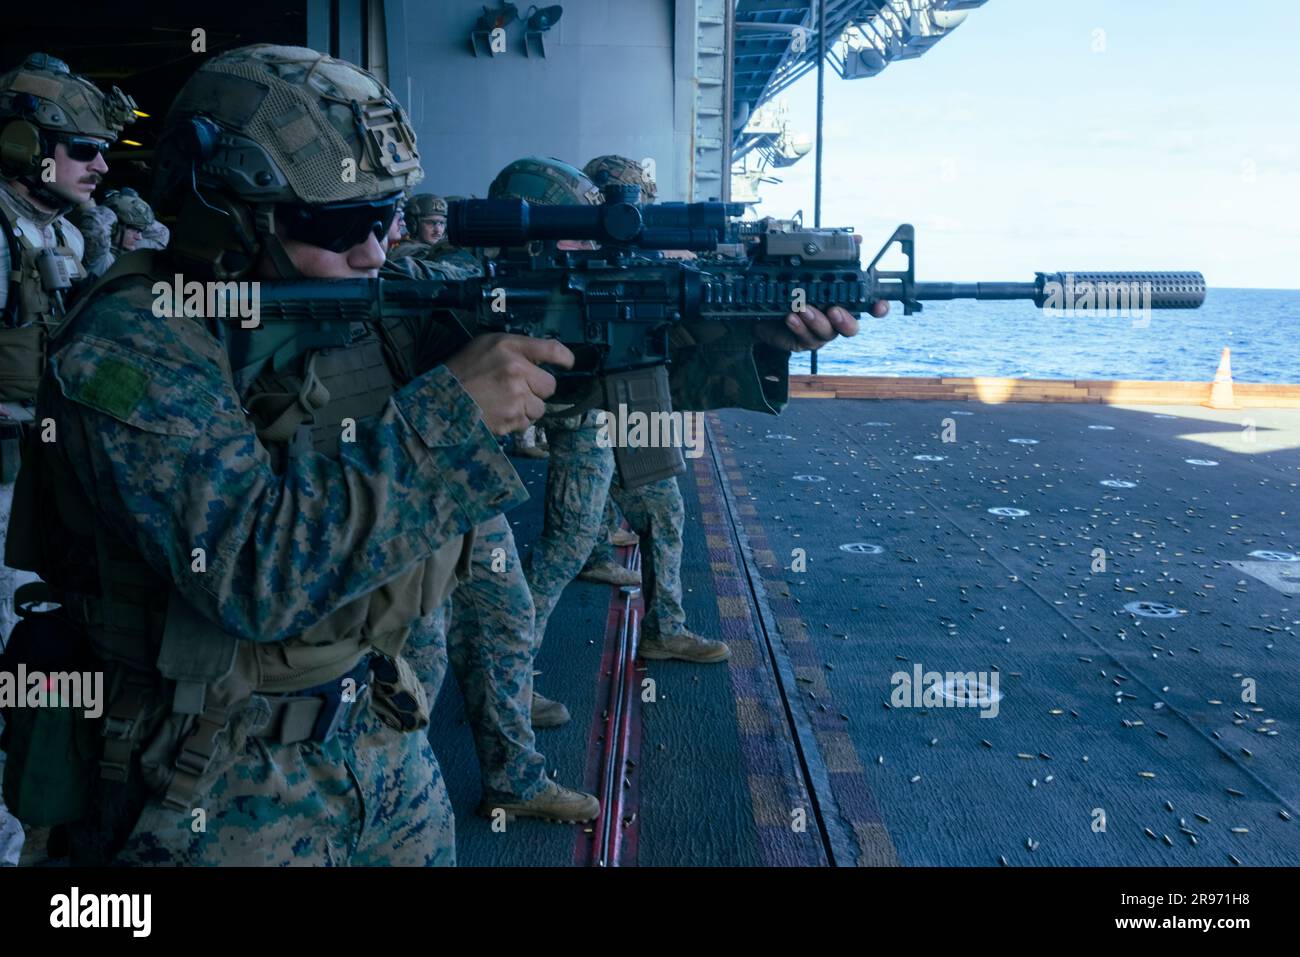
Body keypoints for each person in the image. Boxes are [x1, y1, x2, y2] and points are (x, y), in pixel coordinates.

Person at [3, 44, 569, 866]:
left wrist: (735, 331)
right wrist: (451, 414)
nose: (374, 251)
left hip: (378, 745)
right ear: (226, 216)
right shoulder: (130, 346)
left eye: (386, 219)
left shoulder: (344, 302)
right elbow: (254, 572)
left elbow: (560, 355)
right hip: (210, 778)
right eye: (339, 225)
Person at [494, 156, 882, 719]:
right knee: (564, 547)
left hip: (620, 403)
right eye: (576, 231)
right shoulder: (498, 288)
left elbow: (670, 350)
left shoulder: (607, 269)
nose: (589, 242)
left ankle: (664, 627)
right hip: (584, 417)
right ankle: (509, 683)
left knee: (665, 509)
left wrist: (754, 327)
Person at [0, 52, 136, 862]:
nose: (101, 164)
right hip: (5, 480)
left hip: (44, 482)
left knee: (45, 664)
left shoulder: (57, 231)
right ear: (27, 145)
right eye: (83, 148)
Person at [71, 187, 169, 277]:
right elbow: (98, 229)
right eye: (135, 230)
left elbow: (161, 233)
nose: (139, 237)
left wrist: (131, 206)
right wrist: (93, 210)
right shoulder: (99, 257)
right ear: (114, 225)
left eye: (141, 231)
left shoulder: (128, 247)